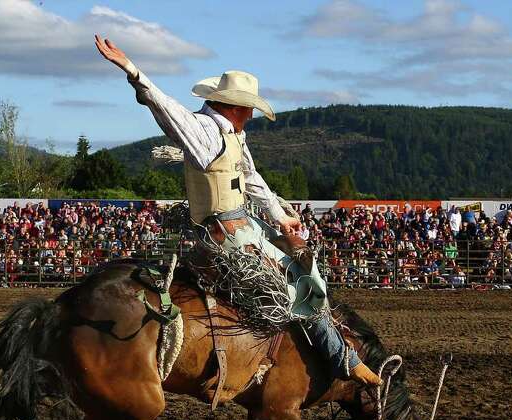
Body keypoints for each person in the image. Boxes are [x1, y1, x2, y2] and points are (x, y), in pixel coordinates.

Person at [94, 35, 380, 387]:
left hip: (242, 225)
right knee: (295, 286)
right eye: (250, 110)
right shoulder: (206, 132)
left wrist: (279, 215)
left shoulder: (232, 135)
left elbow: (250, 176)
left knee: (303, 267)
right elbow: (167, 110)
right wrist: (133, 71)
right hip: (224, 234)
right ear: (238, 108)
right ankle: (341, 361)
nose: (251, 115)